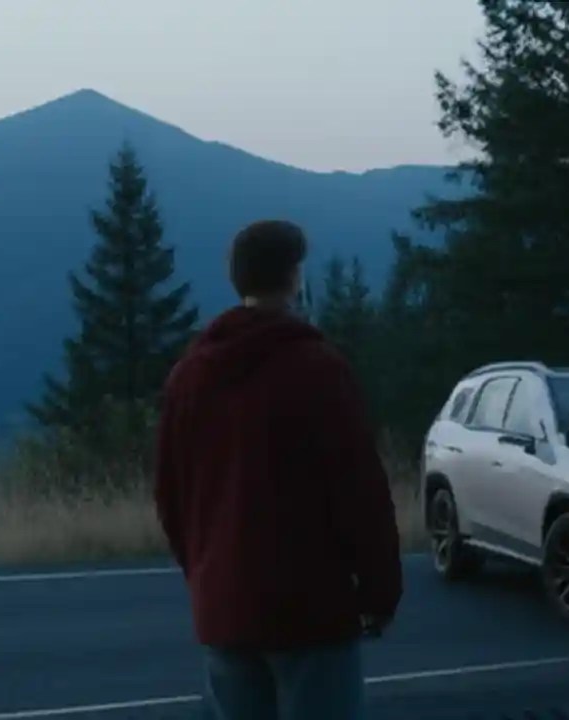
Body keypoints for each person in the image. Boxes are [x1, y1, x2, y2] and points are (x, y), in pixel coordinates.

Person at [154, 219, 403, 719]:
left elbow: (170, 495)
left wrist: (204, 573)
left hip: (224, 606)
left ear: (237, 279)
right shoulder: (317, 369)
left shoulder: (188, 377)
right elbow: (358, 490)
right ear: (293, 278)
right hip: (310, 609)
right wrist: (380, 590)